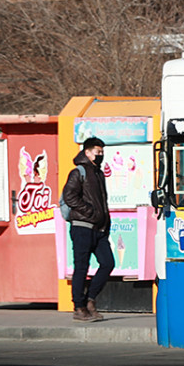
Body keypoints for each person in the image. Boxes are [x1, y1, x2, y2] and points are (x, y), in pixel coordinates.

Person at [61, 137, 113, 322]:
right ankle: (79, 307)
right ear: (87, 152)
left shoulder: (98, 173)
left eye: (102, 152)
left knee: (108, 263)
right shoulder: (78, 172)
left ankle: (90, 299)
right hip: (82, 227)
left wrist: (105, 222)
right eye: (97, 152)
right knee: (81, 267)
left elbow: (103, 201)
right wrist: (89, 211)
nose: (100, 155)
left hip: (99, 229)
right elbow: (69, 196)